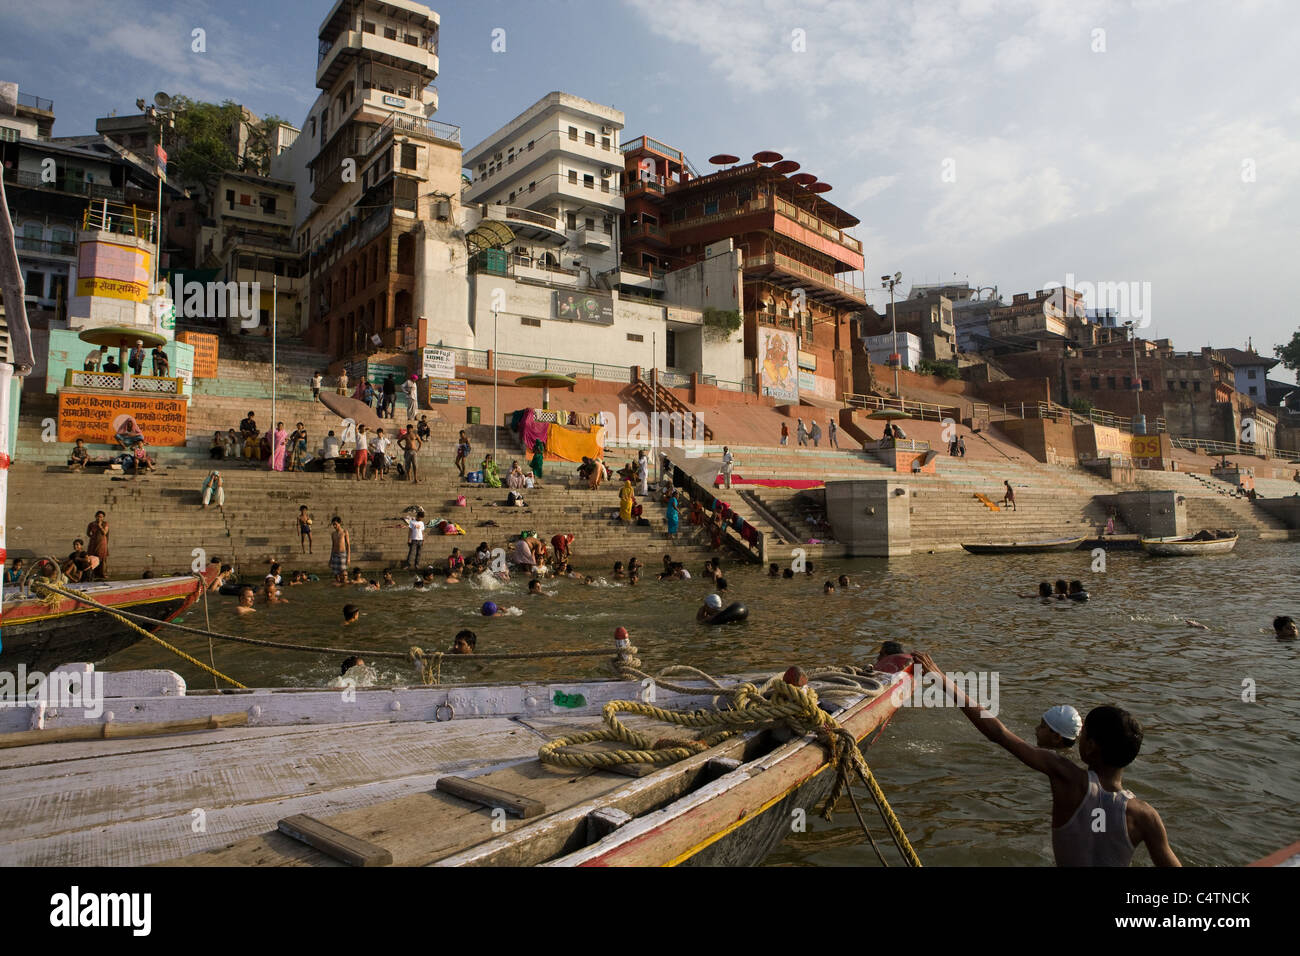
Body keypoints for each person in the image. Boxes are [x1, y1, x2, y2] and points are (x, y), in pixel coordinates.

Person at [911, 652, 1180, 867]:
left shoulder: (1067, 776)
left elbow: (999, 733)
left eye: (1084, 733)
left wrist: (942, 680)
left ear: (1092, 746)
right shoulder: (1147, 817)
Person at [85, 510, 109, 580]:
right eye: (98, 516)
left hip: (102, 542)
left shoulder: (105, 524)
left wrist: (100, 526)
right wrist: (93, 537)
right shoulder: (91, 524)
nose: (99, 518)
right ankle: (94, 574)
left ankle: (103, 574)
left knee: (102, 558)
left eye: (101, 517)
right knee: (93, 557)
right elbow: (88, 533)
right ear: (95, 516)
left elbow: (104, 532)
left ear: (103, 518)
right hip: (93, 542)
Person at [329, 516, 350, 584]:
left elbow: (348, 545)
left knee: (343, 573)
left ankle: (344, 587)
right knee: (336, 574)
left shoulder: (344, 532)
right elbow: (333, 546)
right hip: (335, 555)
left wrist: (348, 557)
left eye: (335, 524)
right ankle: (338, 588)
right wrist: (330, 559)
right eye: (333, 524)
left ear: (339, 523)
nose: (334, 526)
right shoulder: (333, 534)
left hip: (342, 554)